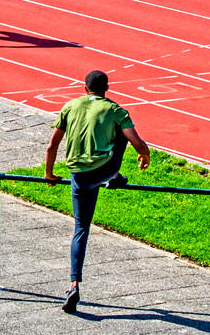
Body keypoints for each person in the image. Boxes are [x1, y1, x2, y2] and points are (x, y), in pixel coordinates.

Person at [43, 70, 150, 313]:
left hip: (78, 176)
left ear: (85, 88)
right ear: (107, 88)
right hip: (104, 169)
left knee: (81, 229)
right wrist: (145, 155)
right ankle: (114, 177)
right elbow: (137, 142)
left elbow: (52, 145)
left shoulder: (70, 106)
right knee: (122, 135)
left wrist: (49, 174)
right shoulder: (115, 110)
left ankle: (73, 284)